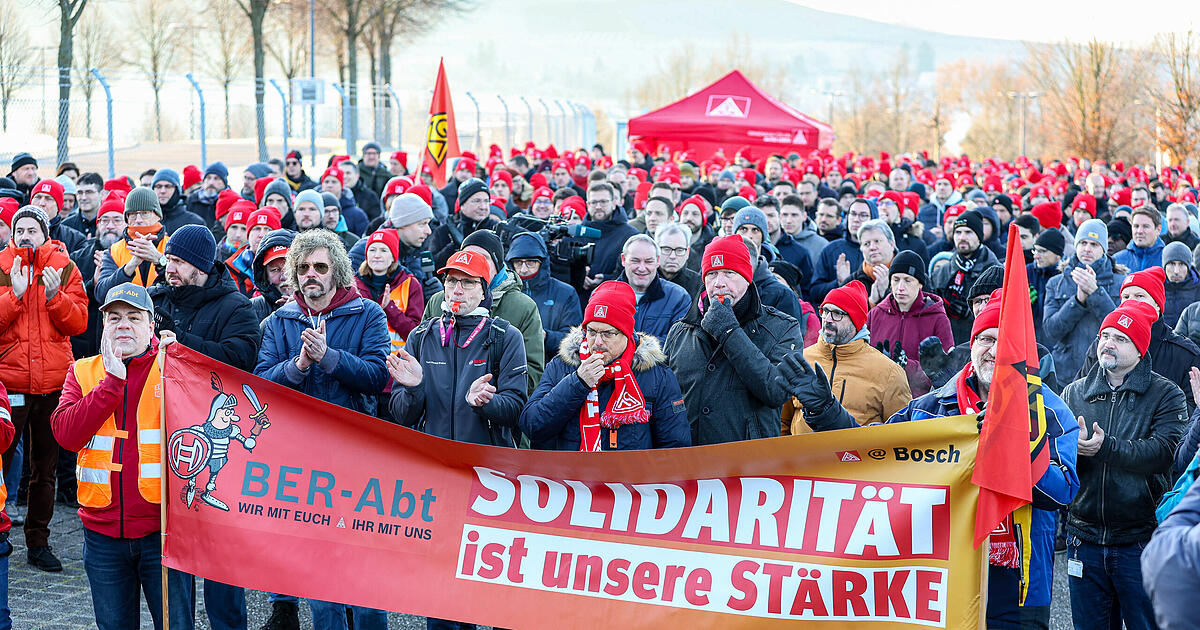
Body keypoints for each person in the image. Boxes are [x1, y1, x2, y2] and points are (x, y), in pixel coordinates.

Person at [781, 296, 1079, 629]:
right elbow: (872, 453)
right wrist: (826, 411)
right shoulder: (930, 408)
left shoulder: (1048, 411)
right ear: (972, 344)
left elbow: (1061, 492)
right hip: (939, 578)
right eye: (985, 339)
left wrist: (1012, 445)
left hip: (1018, 587)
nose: (994, 350)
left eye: (1005, 340)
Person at [254, 229, 389, 629]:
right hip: (301, 463)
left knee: (363, 572)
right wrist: (298, 367)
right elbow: (261, 384)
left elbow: (377, 376)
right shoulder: (279, 321)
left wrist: (329, 357)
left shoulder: (368, 314)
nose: (310, 274)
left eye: (319, 267)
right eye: (302, 268)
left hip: (355, 459)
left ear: (337, 271)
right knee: (319, 574)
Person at [51, 284, 176, 629]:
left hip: (162, 534)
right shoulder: (82, 371)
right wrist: (111, 384)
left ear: (151, 326)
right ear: (103, 325)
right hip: (102, 536)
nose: (123, 325)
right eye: (114, 317)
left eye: (134, 318)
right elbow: (66, 435)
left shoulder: (172, 367)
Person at [1062, 299, 1187, 630]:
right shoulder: (1073, 393)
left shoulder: (1167, 394)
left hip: (1139, 540)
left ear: (1140, 349)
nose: (1108, 343)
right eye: (1105, 336)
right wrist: (1071, 450)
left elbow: (1164, 453)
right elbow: (1055, 454)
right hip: (1084, 539)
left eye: (1120, 338)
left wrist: (1106, 448)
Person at [0, 205, 88, 572]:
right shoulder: (2, 267)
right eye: (19, 229)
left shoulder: (65, 268)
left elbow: (79, 323)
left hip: (52, 385)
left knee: (44, 470)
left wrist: (55, 296)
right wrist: (15, 295)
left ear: (45, 234)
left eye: (32, 230)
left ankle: (38, 542)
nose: (25, 236)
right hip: (10, 385)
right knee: (1, 464)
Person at [520, 281, 691, 451]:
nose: (598, 342)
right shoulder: (563, 365)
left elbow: (675, 447)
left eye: (608, 333)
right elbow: (532, 426)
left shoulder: (656, 374)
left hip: (630, 469)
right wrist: (578, 382)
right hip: (572, 469)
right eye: (591, 332)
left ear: (626, 333)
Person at [387, 247, 527, 452]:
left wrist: (485, 402)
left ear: (484, 291)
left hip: (483, 462)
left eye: (468, 282)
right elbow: (401, 416)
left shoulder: (506, 336)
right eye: (451, 280)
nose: (457, 290)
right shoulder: (421, 336)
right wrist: (414, 389)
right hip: (431, 460)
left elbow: (516, 411)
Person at [664, 235, 801, 445]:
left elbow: (776, 392)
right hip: (689, 457)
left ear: (747, 277)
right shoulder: (680, 331)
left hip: (748, 459)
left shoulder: (782, 327)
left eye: (729, 273)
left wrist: (729, 331)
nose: (719, 283)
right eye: (712, 274)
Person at [783, 280, 911, 433]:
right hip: (801, 449)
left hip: (859, 449)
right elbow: (782, 422)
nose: (828, 319)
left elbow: (901, 433)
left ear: (856, 321)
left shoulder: (889, 372)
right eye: (825, 311)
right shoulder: (802, 359)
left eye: (837, 313)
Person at [151, 225, 261, 372]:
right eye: (168, 260)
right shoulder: (155, 298)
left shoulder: (237, 307)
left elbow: (239, 360)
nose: (169, 269)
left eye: (178, 261)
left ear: (202, 268)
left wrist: (180, 340)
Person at [1044, 219, 1126, 381]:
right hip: (1065, 374)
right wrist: (1078, 301)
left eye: (1094, 244)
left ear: (1103, 250)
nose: (1087, 249)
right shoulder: (1056, 283)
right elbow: (1051, 331)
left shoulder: (1121, 283)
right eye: (1083, 243)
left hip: (1104, 373)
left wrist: (1095, 293)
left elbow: (1122, 328)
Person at [864, 250, 954, 397]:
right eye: (896, 279)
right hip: (876, 397)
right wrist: (879, 362)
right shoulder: (875, 314)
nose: (900, 287)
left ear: (920, 284)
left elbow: (945, 373)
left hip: (918, 401)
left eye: (907, 280)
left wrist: (907, 366)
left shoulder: (938, 318)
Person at [930, 209, 1002, 344]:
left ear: (979, 236)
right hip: (948, 345)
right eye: (958, 232)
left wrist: (971, 313)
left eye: (968, 232)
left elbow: (1003, 316)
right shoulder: (941, 272)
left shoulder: (996, 273)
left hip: (984, 345)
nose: (962, 237)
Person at [505, 231, 581, 359]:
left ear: (542, 262)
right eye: (518, 262)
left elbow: (576, 340)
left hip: (552, 365)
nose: (524, 269)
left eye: (531, 262)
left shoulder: (565, 293)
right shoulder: (503, 293)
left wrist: (546, 337)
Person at [354, 229, 423, 353]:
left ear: (393, 256)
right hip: (361, 357)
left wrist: (390, 307)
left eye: (384, 250)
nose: (377, 255)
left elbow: (416, 334)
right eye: (372, 250)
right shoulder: (353, 284)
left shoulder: (410, 284)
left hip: (397, 358)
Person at [96, 188, 171, 297]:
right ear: (127, 218)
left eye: (145, 213)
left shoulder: (172, 245)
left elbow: (185, 285)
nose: (138, 220)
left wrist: (159, 260)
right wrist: (131, 266)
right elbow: (101, 294)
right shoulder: (114, 251)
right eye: (133, 214)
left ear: (158, 216)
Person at [615, 234, 689, 340]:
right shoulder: (603, 295)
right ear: (623, 259)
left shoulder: (678, 297)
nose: (642, 268)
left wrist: (636, 345)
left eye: (648, 261)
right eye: (635, 261)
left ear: (658, 261)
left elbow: (678, 340)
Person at [426, 178, 501, 270]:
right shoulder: (444, 232)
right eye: (477, 201)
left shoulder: (497, 229)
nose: (483, 207)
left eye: (486, 201)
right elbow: (433, 268)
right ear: (462, 205)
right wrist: (453, 247)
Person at [811, 197, 873, 302]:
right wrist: (839, 283)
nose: (856, 219)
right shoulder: (831, 249)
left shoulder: (880, 251)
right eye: (853, 214)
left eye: (863, 215)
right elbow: (815, 292)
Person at [581, 182, 640, 290]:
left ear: (613, 203)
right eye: (594, 202)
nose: (598, 207)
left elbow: (636, 270)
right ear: (588, 205)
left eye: (603, 202)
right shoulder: (576, 233)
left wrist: (607, 280)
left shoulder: (630, 235)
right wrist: (578, 276)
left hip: (615, 294)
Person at [248, 229, 295, 323]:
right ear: (265, 276)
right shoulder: (251, 309)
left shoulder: (318, 305)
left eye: (289, 268)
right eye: (275, 270)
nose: (283, 277)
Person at [1028, 228, 1066, 340]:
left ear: (1058, 255)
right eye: (1035, 250)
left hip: (1055, 342)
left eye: (1042, 251)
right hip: (1030, 340)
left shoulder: (1066, 278)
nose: (1036, 256)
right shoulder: (1026, 272)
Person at [654, 223, 702, 300]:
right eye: (666, 249)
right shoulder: (645, 279)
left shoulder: (698, 284)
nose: (672, 256)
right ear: (656, 250)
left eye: (679, 250)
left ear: (687, 252)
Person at [150, 169, 205, 235]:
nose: (163, 191)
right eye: (158, 186)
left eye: (168, 186)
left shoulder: (195, 222)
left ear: (177, 189)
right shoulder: (144, 220)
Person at [1114, 206, 1166, 272]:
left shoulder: (1168, 259)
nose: (1139, 231)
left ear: (1158, 230)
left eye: (1146, 226)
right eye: (1136, 226)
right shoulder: (1117, 260)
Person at [1162, 241, 1200, 328]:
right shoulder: (1155, 288)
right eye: (1172, 264)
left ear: (1188, 267)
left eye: (1181, 264)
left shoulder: (1198, 287)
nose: (1176, 271)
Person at [185, 162, 229, 229]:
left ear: (224, 183)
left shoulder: (229, 202)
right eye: (208, 178)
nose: (211, 183)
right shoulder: (192, 200)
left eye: (216, 178)